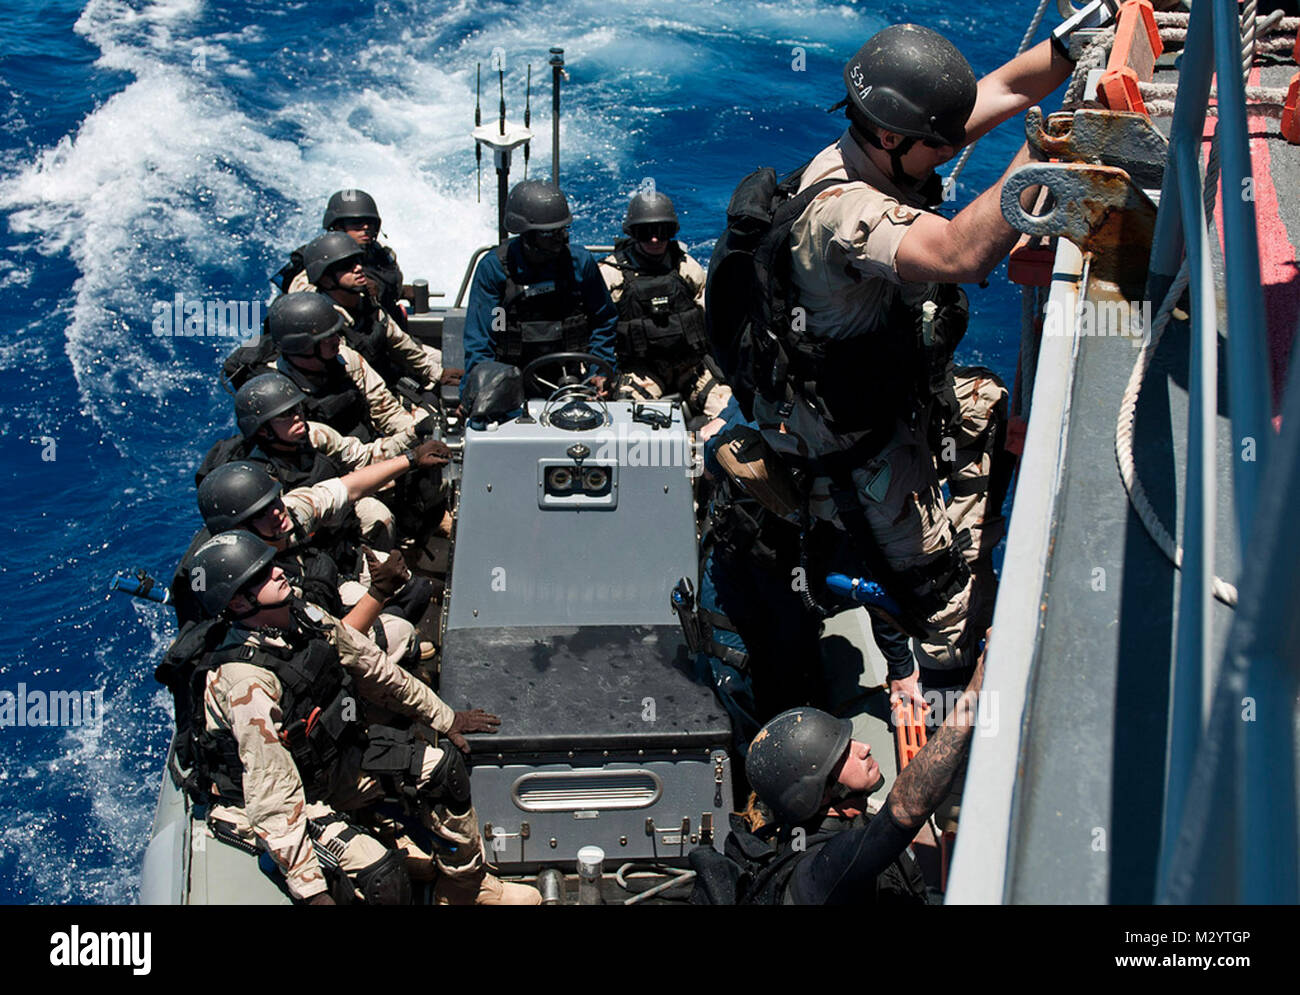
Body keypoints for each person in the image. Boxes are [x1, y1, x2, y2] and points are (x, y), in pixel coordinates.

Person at [744, 23, 1074, 698]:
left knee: (985, 406)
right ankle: (940, 654)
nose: (953, 148)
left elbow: (1007, 86)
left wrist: (1077, 45)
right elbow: (960, 254)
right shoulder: (843, 212)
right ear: (893, 138)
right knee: (946, 622)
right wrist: (1042, 153)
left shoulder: (886, 146)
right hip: (860, 441)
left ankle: (959, 548)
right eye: (941, 142)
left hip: (891, 388)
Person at [181, 531, 541, 904]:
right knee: (382, 879)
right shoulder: (246, 682)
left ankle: (465, 889)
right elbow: (272, 794)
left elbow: (372, 668)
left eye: (271, 564)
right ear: (238, 602)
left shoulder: (303, 617)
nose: (276, 573)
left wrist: (445, 718)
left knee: (444, 770)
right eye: (259, 576)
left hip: (329, 765)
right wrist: (311, 891)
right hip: (283, 799)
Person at [691, 639, 986, 905]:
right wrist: (975, 691)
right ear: (817, 793)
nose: (864, 748)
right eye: (844, 754)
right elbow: (907, 807)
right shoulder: (818, 872)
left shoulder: (842, 824)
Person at [462, 180, 618, 393]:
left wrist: (597, 373)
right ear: (527, 236)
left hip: (573, 379)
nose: (560, 239)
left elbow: (603, 321)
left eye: (562, 230)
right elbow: (481, 341)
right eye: (549, 234)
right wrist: (481, 390)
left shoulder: (581, 264)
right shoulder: (494, 270)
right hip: (507, 381)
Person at [599, 190, 731, 418]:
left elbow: (711, 318)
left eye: (663, 232)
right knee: (628, 418)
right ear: (633, 233)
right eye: (645, 232)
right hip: (642, 371)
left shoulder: (687, 268)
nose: (655, 239)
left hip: (690, 368)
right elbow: (599, 328)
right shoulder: (612, 275)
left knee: (730, 411)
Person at [298, 231, 456, 389]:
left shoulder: (365, 301)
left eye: (358, 261)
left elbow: (398, 341)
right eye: (347, 266)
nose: (358, 268)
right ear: (325, 279)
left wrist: (437, 373)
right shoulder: (324, 323)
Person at [267, 292, 418, 441]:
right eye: (327, 337)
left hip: (367, 452)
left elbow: (385, 409)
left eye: (336, 333)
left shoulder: (345, 358)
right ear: (303, 347)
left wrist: (414, 434)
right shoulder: (276, 391)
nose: (337, 340)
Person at [281, 188, 410, 330]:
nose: (365, 227)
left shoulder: (382, 253)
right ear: (338, 227)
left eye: (370, 222)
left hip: (386, 328)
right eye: (356, 223)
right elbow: (303, 297)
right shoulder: (320, 257)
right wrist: (352, 290)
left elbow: (385, 285)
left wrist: (401, 291)